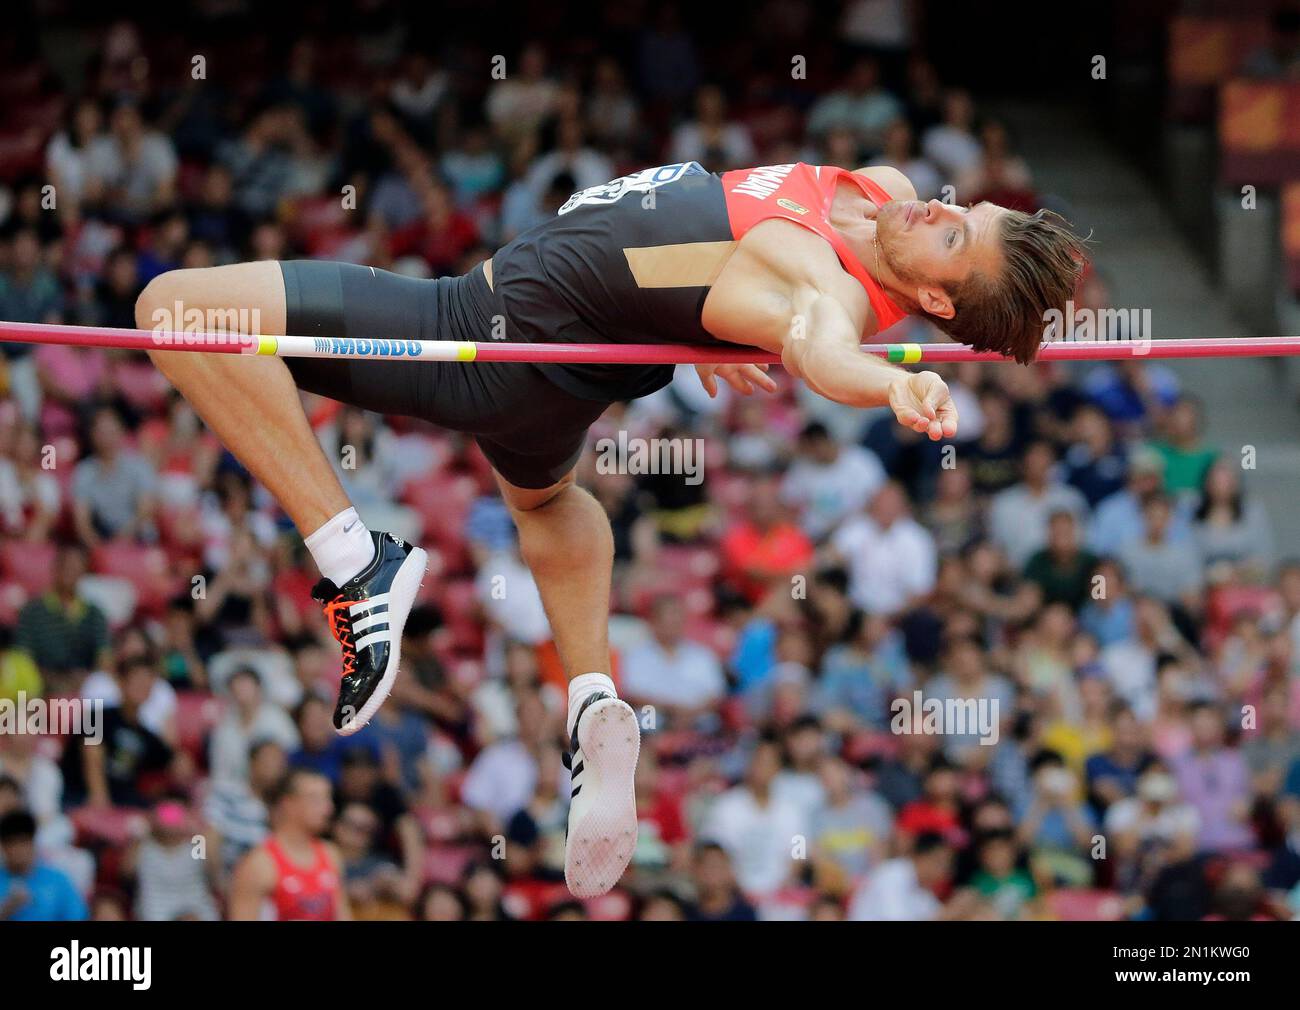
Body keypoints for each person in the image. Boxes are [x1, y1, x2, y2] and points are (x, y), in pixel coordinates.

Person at [139, 158, 1084, 898]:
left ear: (935, 306)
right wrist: (713, 336)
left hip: (488, 334)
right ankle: (595, 703)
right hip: (563, 359)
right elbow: (722, 260)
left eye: (953, 235)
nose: (934, 209)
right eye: (960, 204)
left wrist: (896, 383)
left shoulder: (823, 292)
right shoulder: (880, 195)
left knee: (177, 309)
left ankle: (356, 564)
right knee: (548, 503)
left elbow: (824, 351)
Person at [227, 768, 349, 921]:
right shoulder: (258, 864)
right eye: (316, 799)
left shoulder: (330, 854)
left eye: (328, 798)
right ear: (288, 804)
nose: (328, 808)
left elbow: (343, 915)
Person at [0, 810, 88, 921]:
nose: (17, 849)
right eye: (11, 843)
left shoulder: (58, 880)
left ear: (32, 842)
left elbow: (77, 917)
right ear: (2, 846)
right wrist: (5, 909)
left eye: (23, 841)